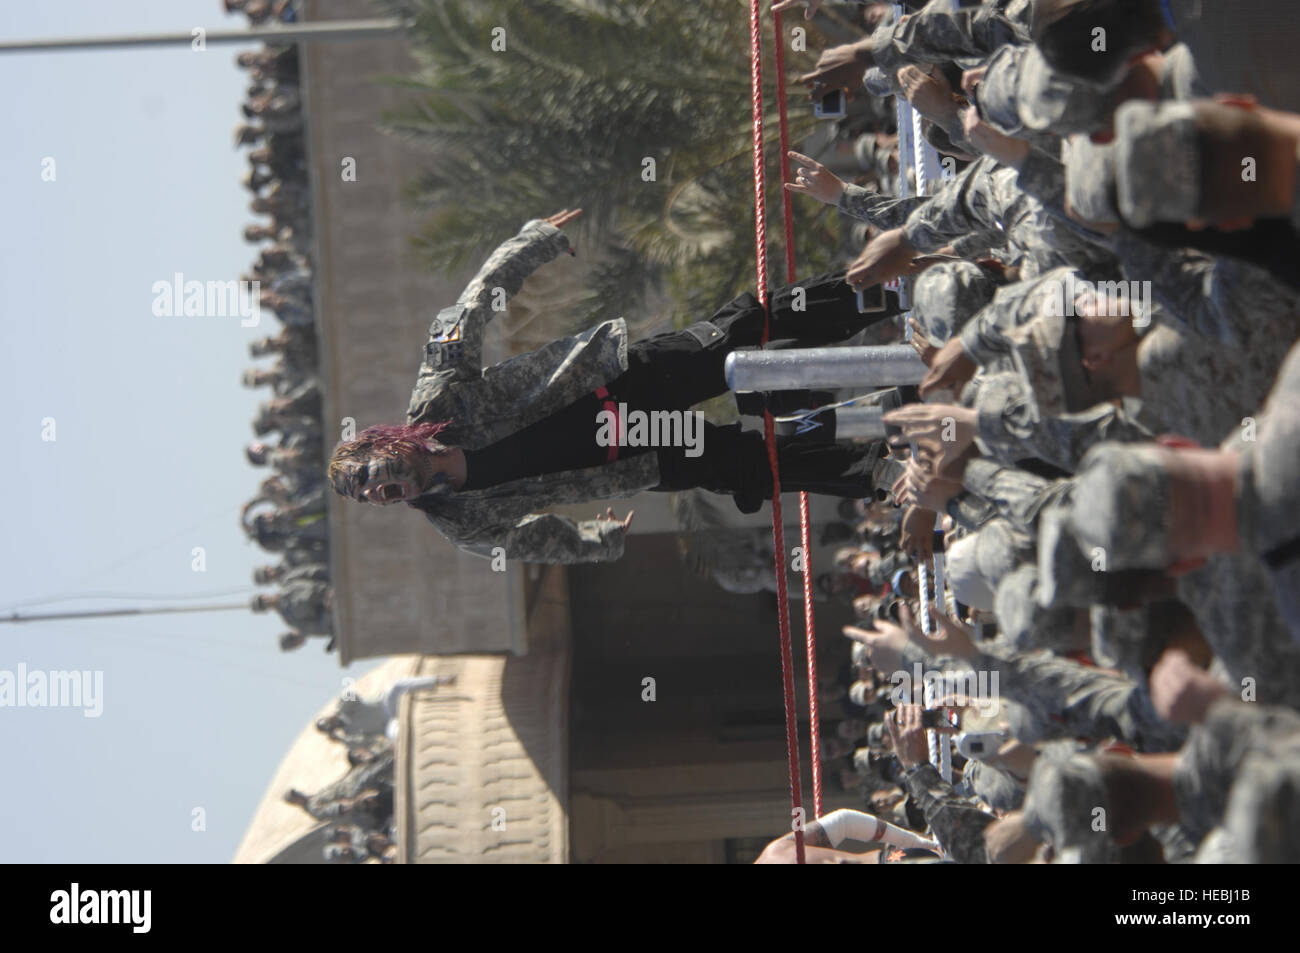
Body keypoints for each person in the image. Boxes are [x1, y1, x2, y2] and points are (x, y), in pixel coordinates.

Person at [328, 209, 902, 564]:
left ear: (385, 445)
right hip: (634, 456)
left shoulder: (438, 398)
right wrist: (599, 542)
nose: (381, 493)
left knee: (742, 329)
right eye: (371, 499)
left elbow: (469, 309)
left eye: (372, 478)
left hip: (623, 383)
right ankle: (883, 466)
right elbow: (532, 543)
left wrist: (532, 245)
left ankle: (877, 290)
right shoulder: (459, 520)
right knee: (750, 471)